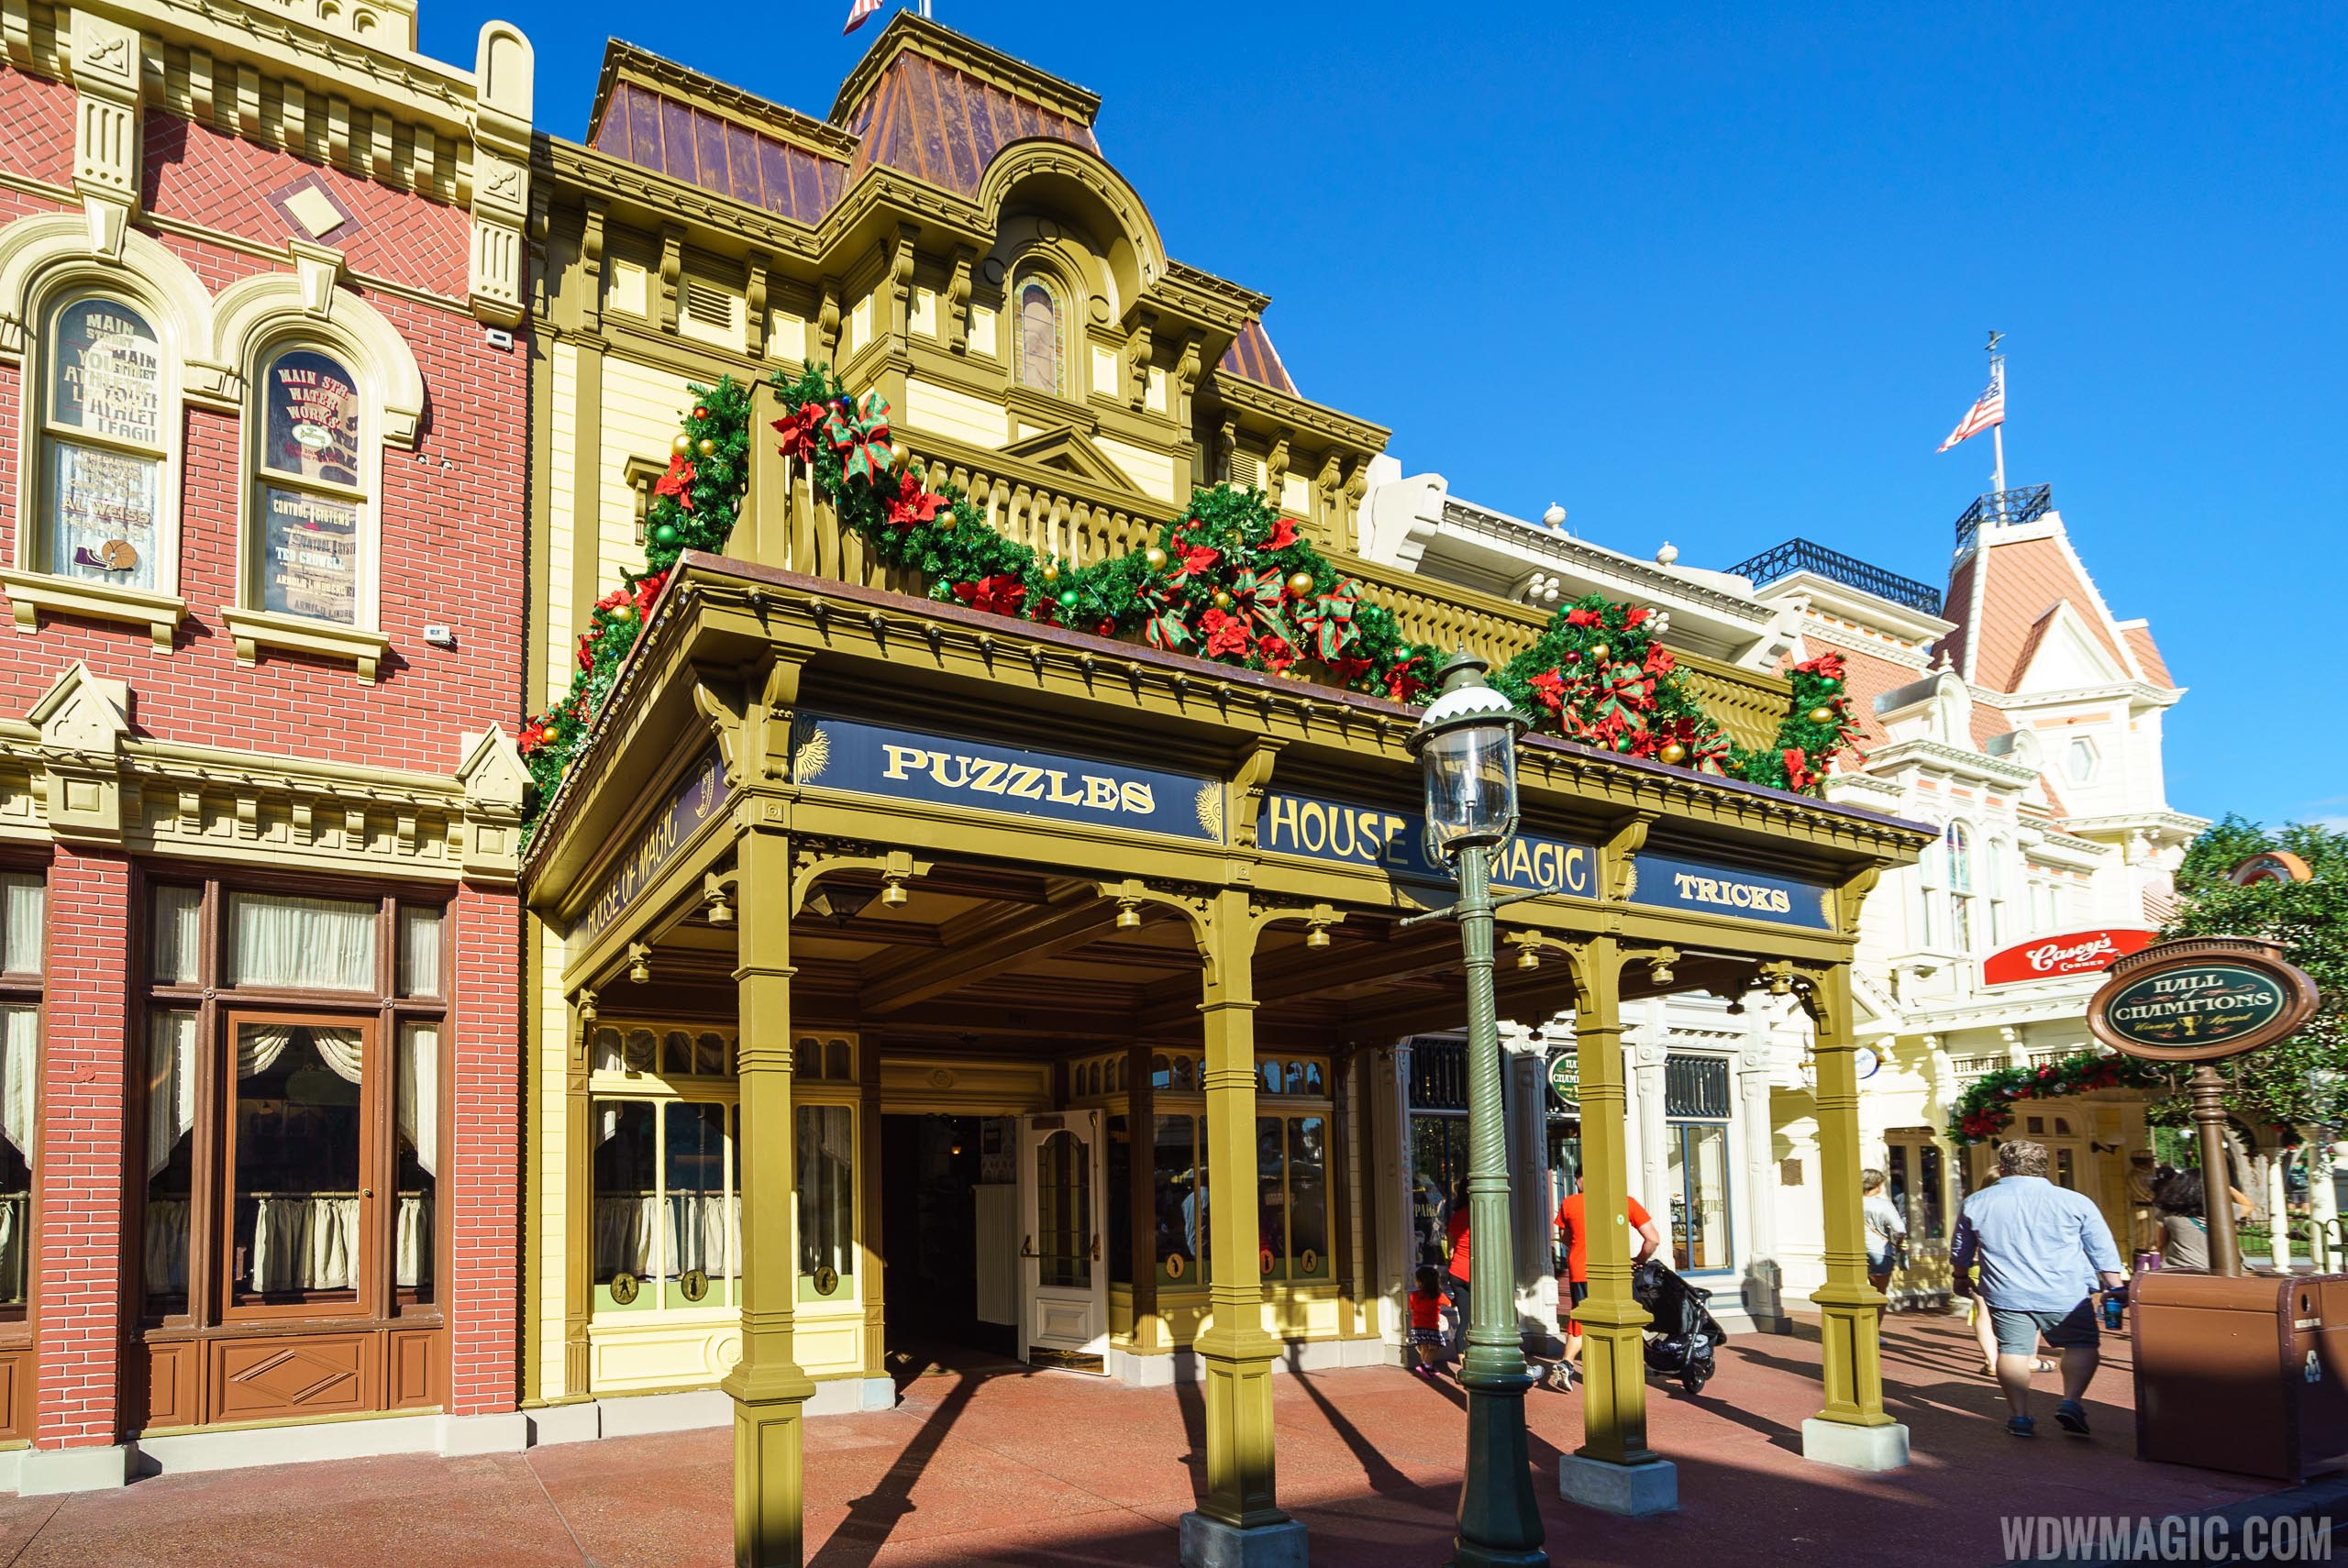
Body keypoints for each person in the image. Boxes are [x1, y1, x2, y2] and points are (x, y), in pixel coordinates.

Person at [1951, 1139, 2126, 1439]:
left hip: (2007, 1292)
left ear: (2003, 1166)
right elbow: (2102, 1250)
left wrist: (1961, 1275)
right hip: (2065, 1293)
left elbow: (1961, 1249)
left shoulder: (1977, 1202)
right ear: (2045, 1167)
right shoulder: (2075, 1201)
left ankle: (2020, 1416)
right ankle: (2071, 1399)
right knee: (2081, 1345)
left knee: (2013, 1351)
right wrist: (2116, 1286)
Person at [1554, 1170, 1664, 1381]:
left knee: (1581, 1317)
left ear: (1579, 1180)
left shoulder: (1569, 1203)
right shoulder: (1626, 1202)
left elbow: (1565, 1238)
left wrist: (1582, 1248)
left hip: (1581, 1269)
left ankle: (1567, 1362)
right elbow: (1653, 1239)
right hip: (1616, 1270)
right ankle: (1625, 1364)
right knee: (1626, 1315)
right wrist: (1639, 1259)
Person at [1862, 1168, 1908, 1297]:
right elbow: (1899, 1230)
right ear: (1877, 1185)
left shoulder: (1849, 1203)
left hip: (1853, 1252)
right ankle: (1875, 1317)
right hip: (1878, 1251)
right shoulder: (1883, 1205)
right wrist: (1900, 1242)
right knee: (1879, 1295)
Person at [2154, 1168, 2211, 1272]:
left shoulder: (2168, 1214)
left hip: (2177, 1269)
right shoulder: (2220, 1211)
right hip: (2211, 1269)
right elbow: (2248, 1206)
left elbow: (2160, 1244)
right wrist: (2226, 1187)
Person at [1407, 1265, 1448, 1380]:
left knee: (1424, 1347)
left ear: (1420, 1282)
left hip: (1417, 1326)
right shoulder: (1438, 1295)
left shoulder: (1414, 1295)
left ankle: (1427, 1368)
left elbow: (1412, 1308)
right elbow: (1450, 1304)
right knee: (1434, 1348)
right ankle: (1426, 1366)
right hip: (1431, 1326)